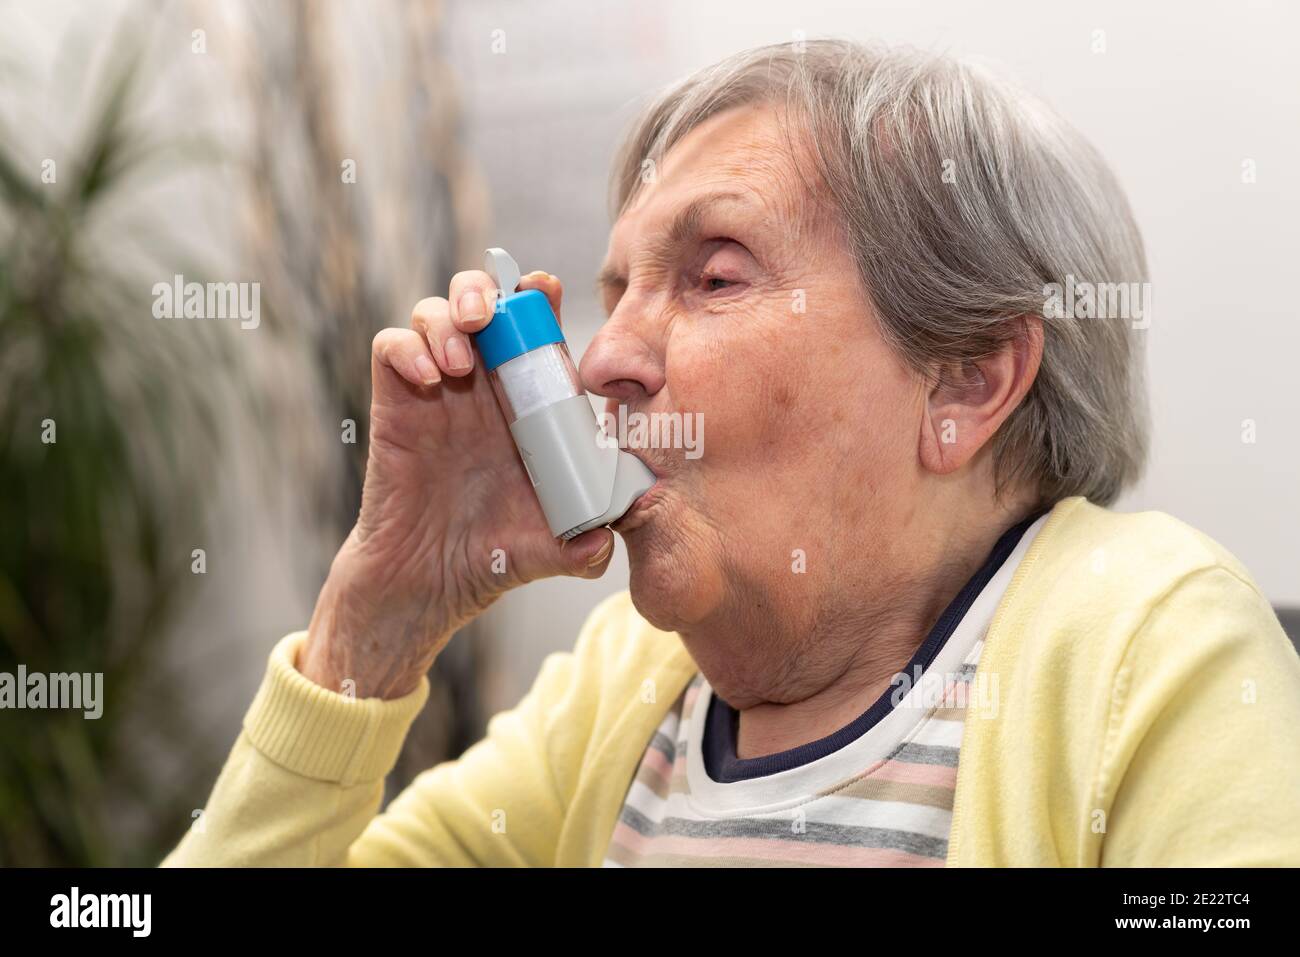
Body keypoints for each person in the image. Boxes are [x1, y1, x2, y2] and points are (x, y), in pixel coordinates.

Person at [162, 39, 1300, 867]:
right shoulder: (631, 689)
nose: (601, 355)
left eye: (713, 276)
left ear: (965, 380)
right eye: (614, 294)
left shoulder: (1149, 647)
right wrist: (379, 618)